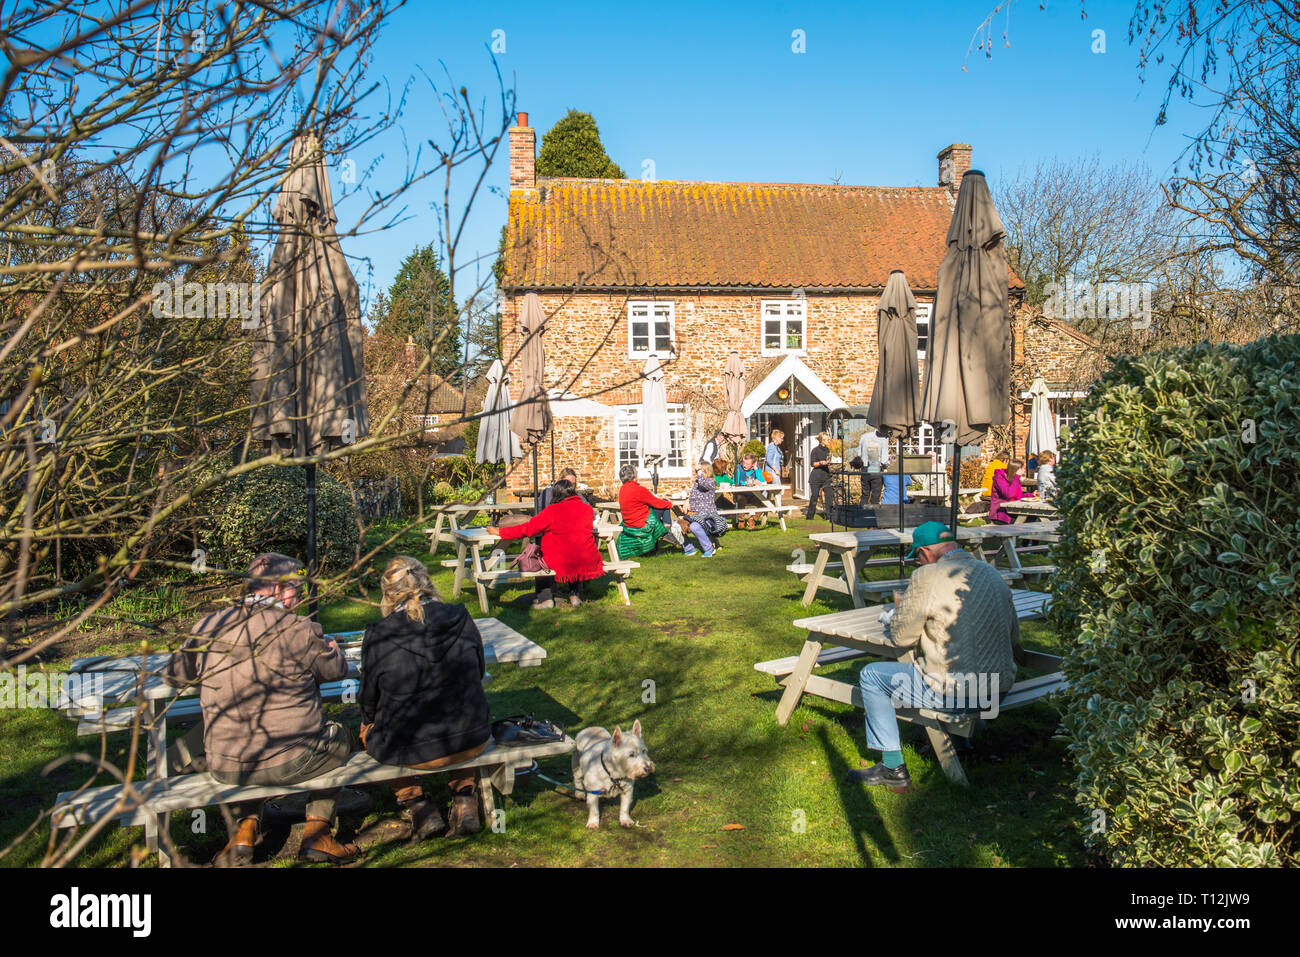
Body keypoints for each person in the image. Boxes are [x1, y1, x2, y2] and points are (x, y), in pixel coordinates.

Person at [163, 552, 358, 865]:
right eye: (296, 588)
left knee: (249, 739)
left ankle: (245, 831)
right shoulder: (298, 628)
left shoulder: (210, 625)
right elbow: (336, 672)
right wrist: (332, 649)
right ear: (279, 590)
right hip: (291, 759)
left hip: (225, 762)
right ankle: (318, 833)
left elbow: (174, 675)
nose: (301, 596)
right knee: (341, 736)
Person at [848, 522, 1024, 790]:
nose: (917, 564)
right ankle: (961, 743)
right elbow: (1013, 636)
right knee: (963, 659)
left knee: (871, 676)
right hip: (998, 690)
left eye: (916, 557)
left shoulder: (928, 576)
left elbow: (901, 637)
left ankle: (892, 767)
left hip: (959, 693)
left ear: (926, 552)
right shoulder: (992, 573)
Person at [360, 556, 492, 839]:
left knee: (367, 729)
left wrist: (370, 721)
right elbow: (479, 671)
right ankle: (465, 798)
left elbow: (368, 700)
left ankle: (418, 804)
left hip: (411, 749)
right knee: (457, 706)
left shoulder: (379, 634)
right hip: (471, 739)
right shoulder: (460, 616)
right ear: (427, 582)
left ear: (387, 592)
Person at [490, 480, 605, 607]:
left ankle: (546, 599)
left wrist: (501, 532)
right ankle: (574, 595)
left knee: (541, 561)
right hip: (588, 558)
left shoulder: (552, 510)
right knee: (575, 551)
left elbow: (528, 529)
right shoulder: (587, 509)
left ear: (556, 494)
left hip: (562, 560)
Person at [613, 464, 689, 557]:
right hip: (642, 523)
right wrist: (670, 504)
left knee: (659, 506)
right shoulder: (639, 490)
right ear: (634, 476)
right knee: (664, 504)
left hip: (629, 522)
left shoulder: (622, 490)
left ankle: (664, 535)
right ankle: (668, 531)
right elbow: (656, 502)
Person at [684, 461, 727, 556]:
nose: (696, 473)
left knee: (694, 526)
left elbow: (704, 484)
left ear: (706, 471)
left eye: (699, 470)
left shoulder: (710, 482)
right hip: (693, 515)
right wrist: (687, 500)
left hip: (707, 516)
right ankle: (690, 548)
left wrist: (699, 473)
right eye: (696, 471)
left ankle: (709, 549)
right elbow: (694, 494)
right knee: (678, 525)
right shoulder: (697, 482)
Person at [805, 431, 835, 520]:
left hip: (826, 476)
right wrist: (820, 463)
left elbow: (828, 460)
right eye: (827, 440)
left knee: (829, 495)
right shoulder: (815, 450)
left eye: (829, 439)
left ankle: (829, 516)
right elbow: (813, 464)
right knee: (814, 496)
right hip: (816, 477)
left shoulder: (828, 450)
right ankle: (810, 516)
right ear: (821, 440)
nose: (828, 441)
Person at [988, 458, 1027, 524]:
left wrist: (1032, 495)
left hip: (1014, 510)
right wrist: (1017, 477)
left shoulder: (1013, 479)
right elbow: (1009, 494)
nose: (1024, 471)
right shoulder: (999, 478)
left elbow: (1018, 496)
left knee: (1033, 518)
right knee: (1026, 522)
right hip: (1002, 513)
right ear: (1016, 470)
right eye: (1023, 469)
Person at [857, 429, 890, 505]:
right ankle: (873, 514)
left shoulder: (864, 436)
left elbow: (859, 454)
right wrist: (887, 465)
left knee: (865, 494)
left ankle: (862, 514)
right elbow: (884, 460)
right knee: (875, 495)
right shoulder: (884, 439)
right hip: (875, 467)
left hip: (864, 468)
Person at [733, 452, 766, 529]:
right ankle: (741, 520)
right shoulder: (738, 468)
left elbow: (763, 482)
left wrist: (756, 469)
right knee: (740, 499)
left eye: (747, 464)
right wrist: (749, 482)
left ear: (753, 464)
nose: (744, 465)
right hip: (741, 494)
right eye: (744, 462)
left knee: (765, 503)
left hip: (753, 495)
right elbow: (736, 483)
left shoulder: (756, 468)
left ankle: (752, 519)